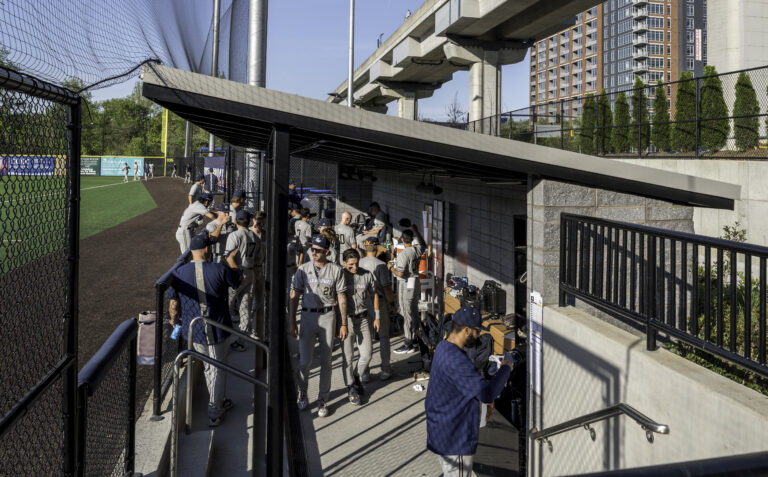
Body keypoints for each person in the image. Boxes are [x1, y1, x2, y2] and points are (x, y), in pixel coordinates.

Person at [425, 307, 512, 476]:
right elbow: (487, 393)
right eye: (477, 331)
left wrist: (485, 395)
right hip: (454, 439)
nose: (479, 335)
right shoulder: (457, 360)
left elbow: (469, 385)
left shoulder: (443, 347)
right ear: (466, 330)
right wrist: (506, 368)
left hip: (441, 431)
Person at [168, 233, 242, 426]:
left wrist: (174, 320)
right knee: (217, 368)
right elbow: (237, 281)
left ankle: (218, 402)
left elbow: (173, 304)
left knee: (209, 367)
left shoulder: (179, 273)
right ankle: (215, 410)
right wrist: (232, 261)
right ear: (207, 250)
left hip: (194, 330)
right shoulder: (218, 268)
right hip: (217, 326)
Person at [288, 235, 349, 418]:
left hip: (327, 315)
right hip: (307, 316)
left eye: (318, 250)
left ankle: (323, 399)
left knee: (326, 361)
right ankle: (303, 392)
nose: (314, 253)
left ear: (327, 252)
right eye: (312, 249)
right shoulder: (303, 270)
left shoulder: (335, 270)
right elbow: (294, 295)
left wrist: (343, 323)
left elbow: (341, 298)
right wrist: (292, 322)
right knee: (305, 361)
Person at [340, 248, 379, 405]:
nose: (354, 268)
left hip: (362, 317)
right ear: (344, 263)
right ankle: (351, 387)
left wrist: (377, 317)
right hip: (347, 319)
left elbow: (374, 294)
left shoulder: (366, 274)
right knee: (348, 357)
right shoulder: (341, 275)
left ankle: (356, 377)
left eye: (356, 263)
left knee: (367, 354)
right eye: (351, 265)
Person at [359, 236, 397, 380]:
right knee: (384, 336)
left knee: (364, 338)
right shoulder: (380, 264)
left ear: (365, 247)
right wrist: (393, 304)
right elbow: (387, 288)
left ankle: (365, 372)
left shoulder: (359, 263)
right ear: (376, 247)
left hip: (362, 302)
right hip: (378, 302)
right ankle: (385, 370)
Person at [225, 209, 262, 351]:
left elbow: (229, 258)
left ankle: (223, 338)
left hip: (236, 273)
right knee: (245, 307)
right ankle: (241, 341)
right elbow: (259, 259)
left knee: (226, 305)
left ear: (236, 221)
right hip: (251, 272)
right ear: (249, 221)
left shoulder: (234, 235)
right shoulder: (255, 236)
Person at [388, 228, 422, 354]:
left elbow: (401, 274)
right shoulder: (416, 249)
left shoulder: (404, 254)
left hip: (406, 283)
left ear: (402, 239)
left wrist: (391, 268)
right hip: (415, 282)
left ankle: (408, 343)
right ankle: (415, 340)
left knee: (406, 314)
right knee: (413, 312)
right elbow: (423, 244)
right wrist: (416, 231)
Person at [250, 211, 267, 338]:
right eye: (257, 220)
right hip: (250, 270)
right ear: (253, 220)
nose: (259, 222)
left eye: (262, 220)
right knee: (249, 302)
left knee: (259, 301)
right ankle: (251, 329)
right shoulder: (249, 233)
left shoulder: (265, 234)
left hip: (261, 269)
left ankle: (257, 328)